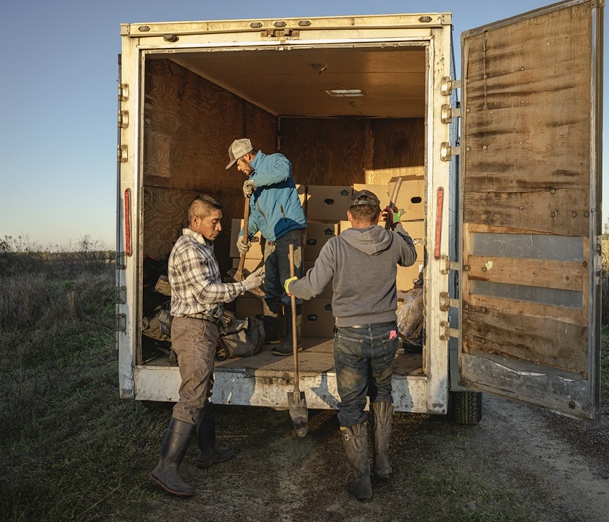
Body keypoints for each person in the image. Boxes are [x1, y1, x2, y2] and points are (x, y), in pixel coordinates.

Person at [284, 190, 416, 502]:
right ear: (378, 215)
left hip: (351, 334)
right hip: (387, 334)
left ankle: (361, 480)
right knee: (382, 391)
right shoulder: (392, 238)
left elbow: (312, 287)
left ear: (349, 217)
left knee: (352, 404)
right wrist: (396, 223)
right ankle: (382, 464)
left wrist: (292, 286)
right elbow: (410, 255)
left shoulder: (336, 245)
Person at [150, 194, 265, 498]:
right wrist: (245, 286)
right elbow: (206, 291)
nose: (219, 226)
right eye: (214, 221)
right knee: (193, 396)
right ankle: (166, 468)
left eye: (220, 221)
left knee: (203, 390)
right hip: (194, 328)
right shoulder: (189, 249)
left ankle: (208, 450)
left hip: (204, 327)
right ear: (196, 220)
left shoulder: (202, 247)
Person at [226, 138, 307, 356]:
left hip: (288, 233)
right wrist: (243, 236)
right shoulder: (252, 182)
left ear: (246, 156)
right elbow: (254, 217)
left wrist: (256, 182)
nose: (239, 169)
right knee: (270, 288)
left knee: (291, 287)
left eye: (238, 164)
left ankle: (293, 340)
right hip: (271, 239)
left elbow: (283, 172)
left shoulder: (275, 161)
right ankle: (273, 333)